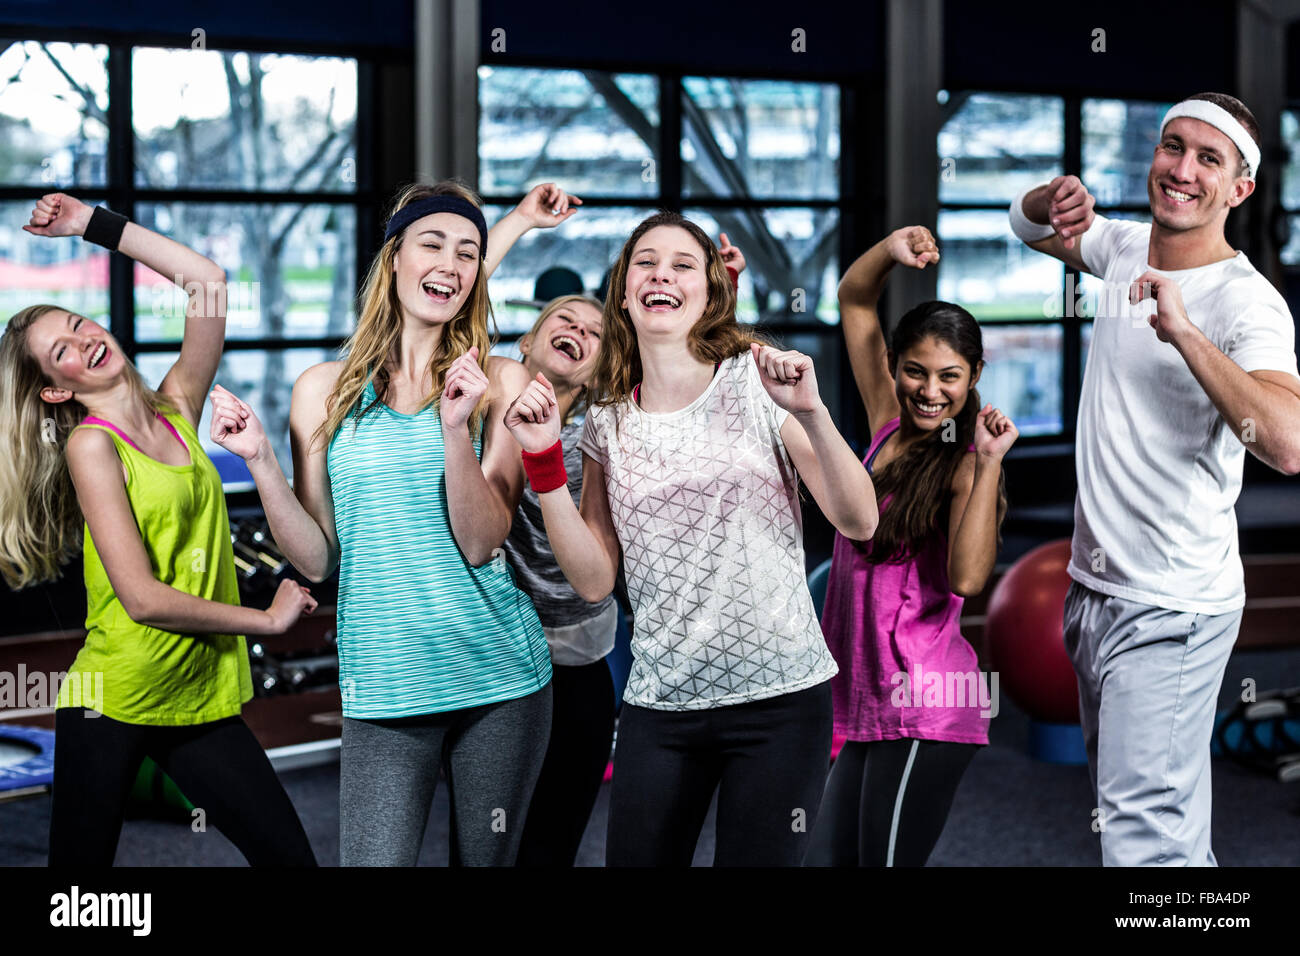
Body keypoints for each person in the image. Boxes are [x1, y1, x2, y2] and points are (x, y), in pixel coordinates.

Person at [209, 180, 581, 866]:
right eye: (432, 244)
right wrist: (260, 461)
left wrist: (453, 430)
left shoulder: (495, 381)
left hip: (499, 680)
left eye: (469, 253)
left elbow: (480, 540)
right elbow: (319, 559)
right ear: (394, 259)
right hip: (385, 683)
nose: (452, 262)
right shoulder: (323, 389)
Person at [504, 210, 877, 866]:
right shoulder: (608, 423)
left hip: (781, 703)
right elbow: (593, 580)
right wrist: (543, 467)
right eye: (646, 262)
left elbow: (859, 519)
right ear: (624, 290)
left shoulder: (756, 381)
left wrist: (812, 413)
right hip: (661, 705)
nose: (662, 274)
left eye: (682, 265)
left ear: (708, 291)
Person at [1010, 92, 1300, 866]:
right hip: (1094, 590)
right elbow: (1029, 224)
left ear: (1240, 188)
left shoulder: (1248, 303)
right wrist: (1051, 197)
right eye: (1174, 147)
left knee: (1144, 842)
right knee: (1146, 825)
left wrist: (1185, 335)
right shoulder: (1125, 249)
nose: (1182, 169)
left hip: (1170, 606)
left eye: (1210, 159)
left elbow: (1285, 441)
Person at [0, 192, 318, 867]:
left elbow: (207, 284)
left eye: (81, 324)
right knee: (78, 894)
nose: (87, 340)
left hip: (194, 692)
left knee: (290, 860)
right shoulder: (92, 445)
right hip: (113, 696)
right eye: (64, 349)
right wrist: (264, 621)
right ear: (55, 388)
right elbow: (141, 598)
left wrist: (91, 224)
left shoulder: (177, 406)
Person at [510, 236, 746, 867]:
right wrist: (525, 220)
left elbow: (689, 370)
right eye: (564, 320)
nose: (578, 331)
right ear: (525, 342)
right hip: (500, 656)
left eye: (593, 331)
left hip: (579, 655)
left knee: (555, 834)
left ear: (600, 366)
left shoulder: (605, 432)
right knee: (489, 837)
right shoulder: (481, 409)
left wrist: (722, 292)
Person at [803, 225, 1016, 867]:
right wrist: (891, 250)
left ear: (975, 373)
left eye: (950, 376)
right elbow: (854, 299)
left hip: (927, 698)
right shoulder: (886, 424)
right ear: (894, 367)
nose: (931, 391)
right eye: (915, 371)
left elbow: (969, 579)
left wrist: (990, 465)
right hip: (873, 696)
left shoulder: (964, 464)